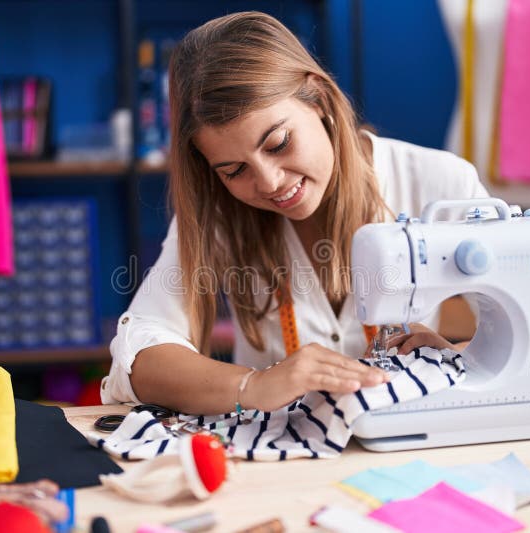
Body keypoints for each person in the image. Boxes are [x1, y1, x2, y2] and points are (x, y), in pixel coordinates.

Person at [101, 11, 488, 415]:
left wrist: (459, 358)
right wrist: (255, 385)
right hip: (283, 459)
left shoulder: (441, 184)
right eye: (234, 170)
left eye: (278, 143)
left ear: (318, 98)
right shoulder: (219, 211)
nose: (268, 182)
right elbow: (137, 355)